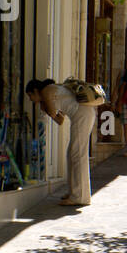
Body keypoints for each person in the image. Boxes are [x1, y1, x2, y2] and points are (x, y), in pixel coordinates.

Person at [26, 78, 98, 206]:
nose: (30, 99)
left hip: (82, 115)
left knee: (78, 154)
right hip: (82, 114)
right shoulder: (52, 90)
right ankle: (74, 192)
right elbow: (60, 120)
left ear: (36, 91)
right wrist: (48, 109)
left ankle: (80, 197)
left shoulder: (47, 92)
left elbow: (55, 115)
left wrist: (47, 108)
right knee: (72, 153)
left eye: (30, 95)